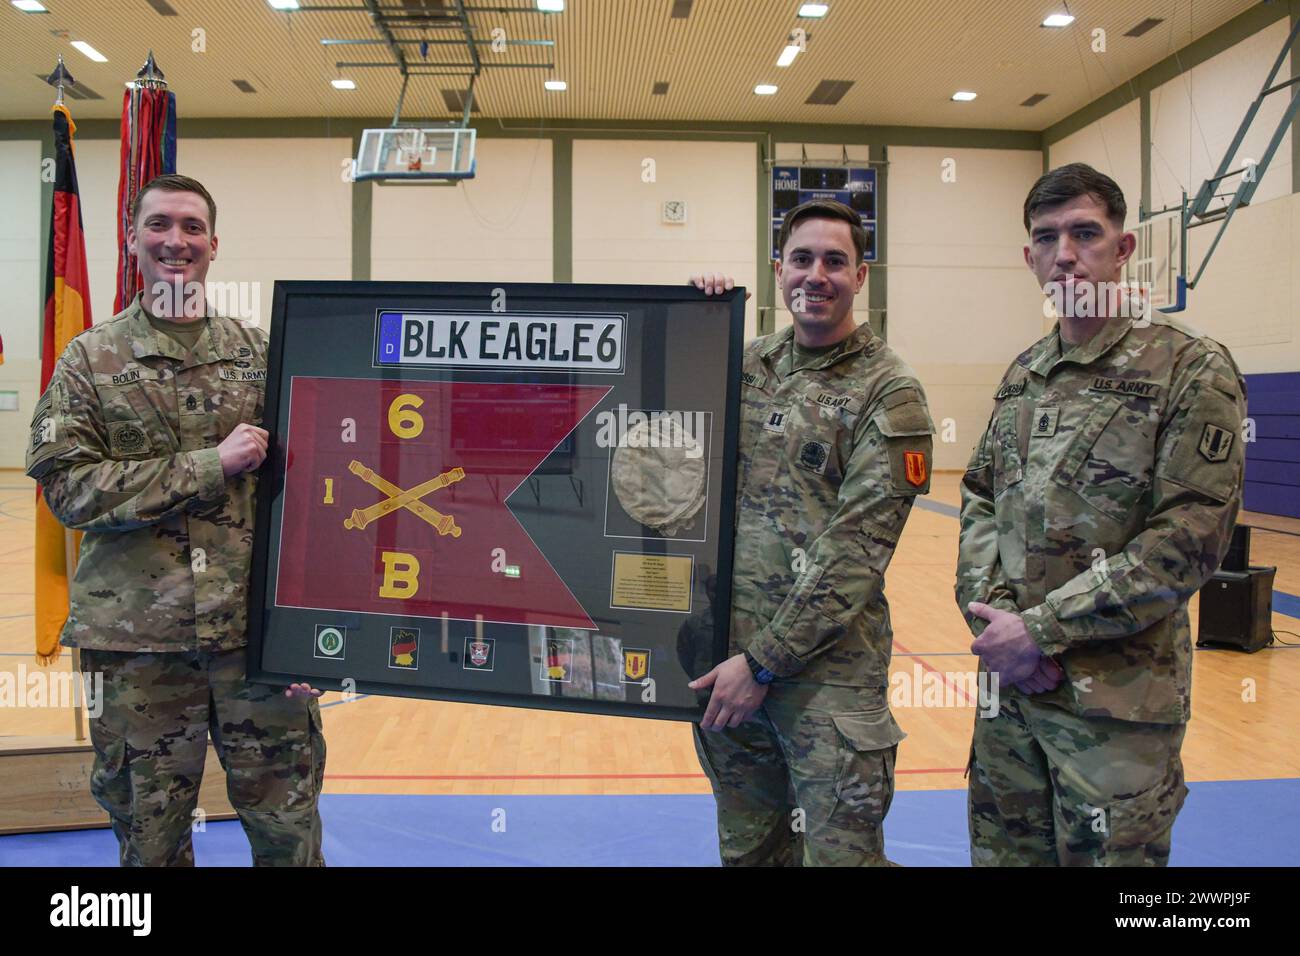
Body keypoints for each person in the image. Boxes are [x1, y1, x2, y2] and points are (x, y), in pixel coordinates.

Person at [26, 173, 326, 867]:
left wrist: (312, 635)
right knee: (150, 841)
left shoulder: (262, 355)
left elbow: (319, 498)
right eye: (159, 224)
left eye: (192, 227)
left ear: (214, 245)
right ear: (132, 239)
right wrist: (205, 465)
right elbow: (67, 489)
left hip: (258, 648)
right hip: (138, 653)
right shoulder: (89, 361)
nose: (176, 240)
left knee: (290, 833)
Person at [956, 163, 1246, 866]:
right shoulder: (1023, 374)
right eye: (1047, 238)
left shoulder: (1190, 369)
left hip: (1115, 714)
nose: (1066, 253)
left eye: (1086, 233)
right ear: (1029, 259)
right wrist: (995, 622)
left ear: (1123, 249)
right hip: (1012, 705)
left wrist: (1042, 632)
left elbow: (1188, 540)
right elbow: (980, 501)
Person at [690, 198, 934, 866]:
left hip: (827, 683)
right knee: (752, 852)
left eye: (835, 261)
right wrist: (695, 319)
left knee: (840, 858)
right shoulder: (746, 365)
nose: (815, 275)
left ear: (861, 276)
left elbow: (855, 551)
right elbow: (662, 442)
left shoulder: (890, 391)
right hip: (728, 665)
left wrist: (764, 662)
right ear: (778, 270)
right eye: (802, 259)